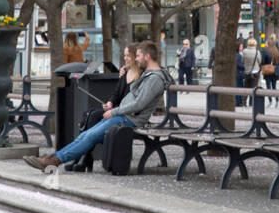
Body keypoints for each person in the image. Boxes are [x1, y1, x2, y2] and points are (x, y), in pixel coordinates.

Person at [23, 41, 171, 172]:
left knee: (90, 136)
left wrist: (114, 112)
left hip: (129, 119)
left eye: (138, 56)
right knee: (86, 135)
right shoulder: (149, 74)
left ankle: (53, 161)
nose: (136, 59)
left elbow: (139, 104)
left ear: (147, 57)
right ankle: (52, 159)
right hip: (123, 116)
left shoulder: (155, 79)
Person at [65, 42, 142, 172]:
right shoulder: (125, 72)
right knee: (90, 115)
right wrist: (110, 103)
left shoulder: (142, 75)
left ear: (136, 56)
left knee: (94, 117)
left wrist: (115, 109)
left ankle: (84, 158)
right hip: (116, 109)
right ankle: (84, 157)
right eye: (124, 55)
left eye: (128, 55)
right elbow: (116, 94)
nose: (125, 58)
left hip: (127, 113)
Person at [261, 40, 279, 105]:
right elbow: (278, 62)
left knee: (268, 86)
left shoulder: (265, 51)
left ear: (268, 44)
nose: (265, 44)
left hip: (268, 71)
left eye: (266, 43)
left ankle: (270, 101)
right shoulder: (276, 51)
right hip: (274, 71)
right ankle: (277, 100)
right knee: (274, 87)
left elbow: (263, 62)